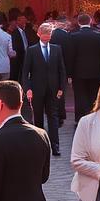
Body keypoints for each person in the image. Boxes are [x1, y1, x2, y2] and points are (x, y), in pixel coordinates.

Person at [20, 22, 66, 155]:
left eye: (50, 33)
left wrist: (61, 88)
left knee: (53, 118)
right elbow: (25, 72)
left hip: (53, 90)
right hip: (37, 89)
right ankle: (39, 146)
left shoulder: (57, 49)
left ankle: (55, 146)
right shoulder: (32, 50)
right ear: (39, 34)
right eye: (45, 33)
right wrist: (27, 88)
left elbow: (61, 70)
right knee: (38, 118)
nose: (48, 36)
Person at [69, 14, 100, 119]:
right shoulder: (98, 35)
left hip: (78, 72)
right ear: (90, 21)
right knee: (94, 95)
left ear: (78, 22)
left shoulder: (73, 36)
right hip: (96, 72)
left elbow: (71, 56)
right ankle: (94, 115)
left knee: (79, 95)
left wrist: (69, 73)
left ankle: (80, 117)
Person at [7, 9, 28, 82]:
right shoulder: (15, 33)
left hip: (24, 57)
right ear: (18, 22)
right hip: (18, 59)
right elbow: (15, 47)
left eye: (25, 20)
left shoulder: (25, 32)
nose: (25, 22)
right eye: (22, 21)